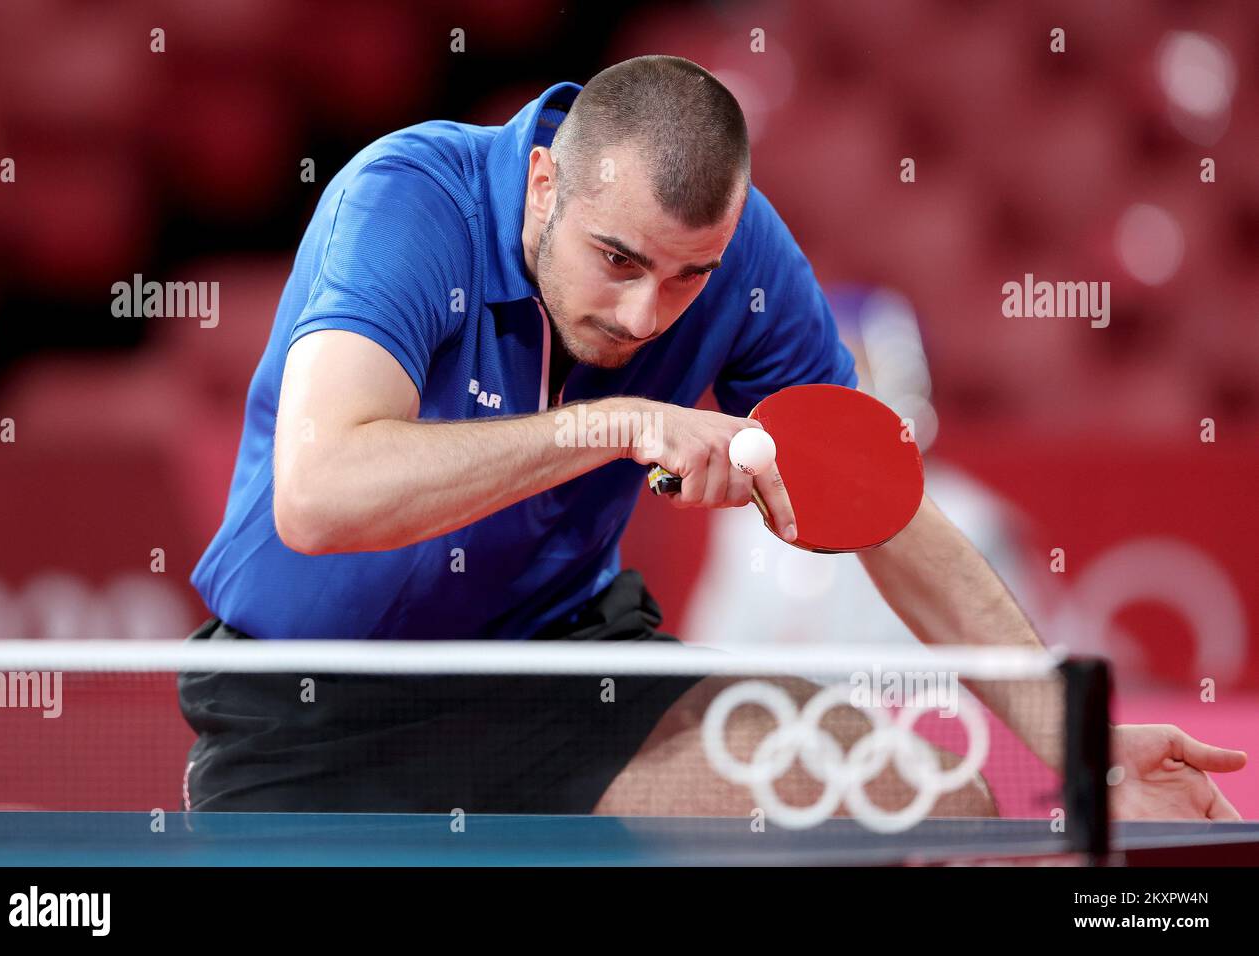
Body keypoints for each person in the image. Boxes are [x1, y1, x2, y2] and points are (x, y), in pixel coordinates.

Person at [179, 55, 1245, 820]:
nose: (647, 315)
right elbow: (318, 494)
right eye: (617, 259)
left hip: (560, 672)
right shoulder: (406, 201)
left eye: (686, 276)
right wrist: (605, 424)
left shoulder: (743, 260)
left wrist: (1077, 743)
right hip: (311, 699)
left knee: (912, 803)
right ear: (547, 181)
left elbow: (886, 509)